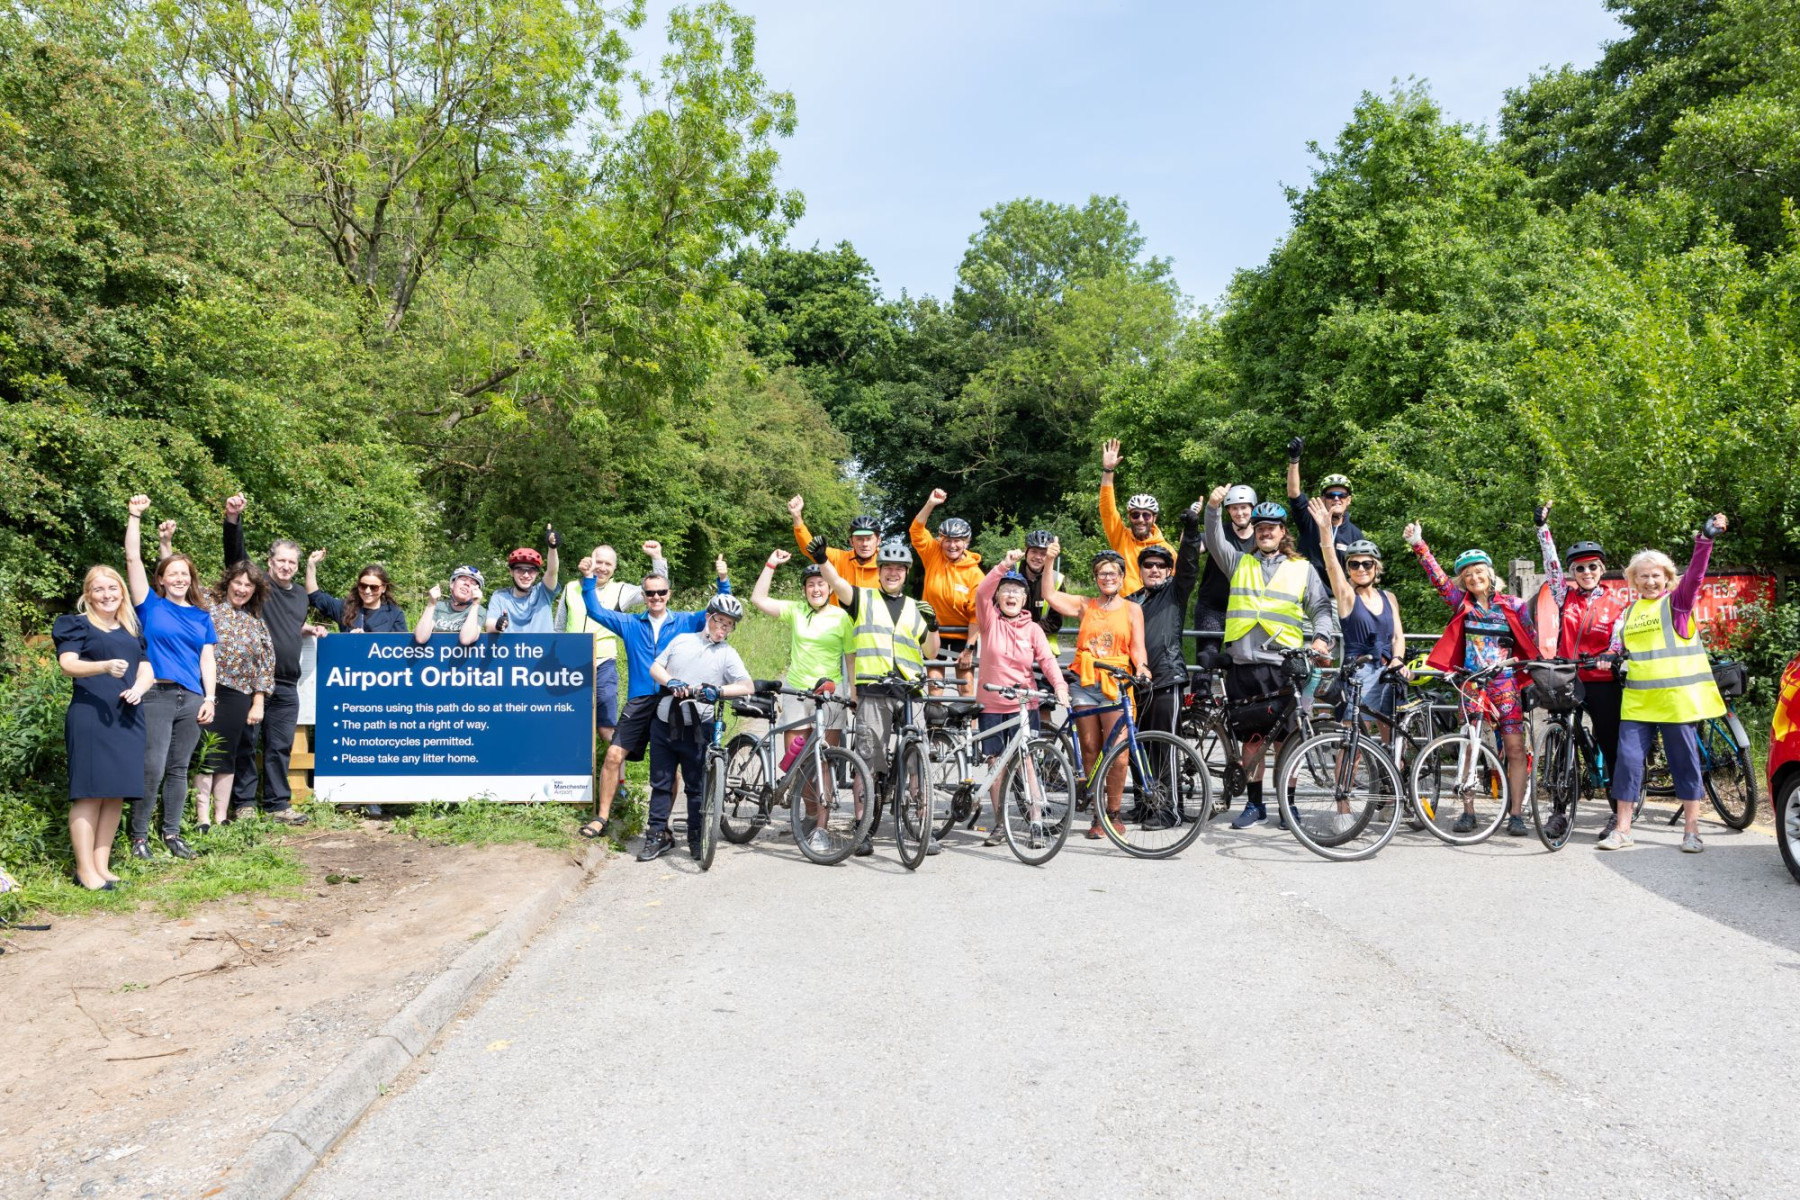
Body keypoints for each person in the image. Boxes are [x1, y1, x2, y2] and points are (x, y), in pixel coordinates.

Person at [577, 553, 732, 841]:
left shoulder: (685, 621)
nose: (656, 597)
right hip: (640, 700)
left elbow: (720, 610)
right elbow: (595, 611)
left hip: (673, 700)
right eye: (650, 593)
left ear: (668, 593)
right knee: (613, 755)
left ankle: (662, 827)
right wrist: (588, 580)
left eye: (661, 592)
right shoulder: (630, 623)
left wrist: (723, 579)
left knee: (671, 768)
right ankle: (602, 817)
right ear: (644, 596)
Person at [1205, 492, 1338, 829]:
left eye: (1272, 527)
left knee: (1285, 742)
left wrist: (1321, 638)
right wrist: (1213, 508)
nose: (1265, 532)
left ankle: (1287, 806)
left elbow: (1321, 608)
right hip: (1244, 665)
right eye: (1261, 527)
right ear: (1255, 531)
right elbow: (1214, 538)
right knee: (1252, 740)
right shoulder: (1238, 562)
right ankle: (1254, 805)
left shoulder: (1302, 568)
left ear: (1283, 532)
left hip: (1283, 667)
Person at [1599, 515, 1731, 854]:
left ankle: (1692, 831)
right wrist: (1608, 656)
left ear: (1668, 578)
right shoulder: (1628, 613)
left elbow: (1696, 575)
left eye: (1656, 575)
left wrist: (1705, 541)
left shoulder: (1678, 604)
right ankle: (1623, 829)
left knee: (1684, 762)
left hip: (1676, 701)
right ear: (1633, 580)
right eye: (1643, 576)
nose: (1650, 581)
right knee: (1628, 761)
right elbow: (1617, 646)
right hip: (1638, 701)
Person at [1407, 521, 1537, 836]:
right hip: (1471, 684)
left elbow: (1531, 640)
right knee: (1469, 746)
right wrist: (1418, 544)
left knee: (1515, 747)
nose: (1474, 578)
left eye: (1479, 572)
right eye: (1467, 575)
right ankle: (1468, 812)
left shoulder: (1514, 606)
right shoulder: (1462, 604)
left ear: (1490, 574)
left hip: (1505, 683)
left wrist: (1527, 665)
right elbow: (1438, 580)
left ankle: (1516, 814)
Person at [819, 538, 941, 856]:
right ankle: (862, 829)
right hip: (873, 690)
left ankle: (923, 826)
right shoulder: (863, 598)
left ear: (906, 573)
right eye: (887, 567)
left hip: (911, 691)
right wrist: (821, 559)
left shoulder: (915, 607)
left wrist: (933, 625)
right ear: (880, 571)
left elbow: (931, 651)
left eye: (899, 568)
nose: (893, 573)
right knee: (868, 759)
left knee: (917, 760)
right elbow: (836, 582)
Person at [126, 494, 217, 860]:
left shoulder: (201, 615)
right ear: (161, 580)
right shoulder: (150, 605)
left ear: (190, 580)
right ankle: (139, 838)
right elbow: (132, 559)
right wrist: (135, 517)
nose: (179, 578)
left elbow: (207, 658)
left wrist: (209, 698)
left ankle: (172, 834)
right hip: (156, 696)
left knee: (178, 769)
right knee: (152, 768)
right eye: (173, 573)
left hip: (191, 698)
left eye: (185, 574)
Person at [1040, 544, 1151, 839]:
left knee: (1119, 754)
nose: (1107, 578)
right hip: (1085, 683)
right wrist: (1049, 561)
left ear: (1122, 577)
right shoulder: (1085, 605)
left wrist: (1142, 668)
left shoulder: (1132, 609)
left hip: (1117, 684)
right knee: (1090, 748)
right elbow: (1049, 594)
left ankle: (1114, 812)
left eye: (1113, 573)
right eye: (1102, 574)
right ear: (1095, 578)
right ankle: (1097, 813)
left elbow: (1138, 648)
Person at [1534, 504, 1630, 842]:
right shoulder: (1565, 595)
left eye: (1592, 566)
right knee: (1562, 742)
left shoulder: (1617, 604)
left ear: (1601, 569)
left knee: (1610, 743)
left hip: (1601, 679)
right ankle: (1559, 812)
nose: (1586, 572)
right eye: (1580, 568)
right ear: (1573, 572)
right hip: (1568, 677)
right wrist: (1542, 529)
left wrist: (1610, 655)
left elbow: (1618, 638)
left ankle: (1618, 813)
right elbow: (1551, 565)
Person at [55, 566, 155, 890]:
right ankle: (84, 871)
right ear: (88, 594)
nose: (107, 595)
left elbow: (147, 669)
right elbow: (67, 664)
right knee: (89, 794)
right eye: (98, 589)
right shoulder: (77, 624)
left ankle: (102, 867)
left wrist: (138, 689)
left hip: (127, 717)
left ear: (122, 591)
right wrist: (104, 666)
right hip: (91, 718)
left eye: (113, 588)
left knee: (114, 795)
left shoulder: (131, 628)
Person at [640, 595, 756, 861]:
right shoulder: (682, 640)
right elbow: (655, 667)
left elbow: (746, 685)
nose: (722, 628)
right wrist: (671, 681)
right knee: (661, 782)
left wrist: (719, 691)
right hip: (665, 722)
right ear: (708, 617)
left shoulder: (727, 653)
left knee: (696, 785)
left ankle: (696, 836)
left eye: (729, 625)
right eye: (719, 621)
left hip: (698, 727)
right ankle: (656, 835)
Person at [223, 494, 316, 825]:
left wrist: (308, 629)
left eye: (292, 562)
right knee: (247, 743)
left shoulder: (301, 595)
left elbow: (287, 626)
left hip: (287, 684)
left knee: (279, 747)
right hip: (253, 682)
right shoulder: (260, 586)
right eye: (281, 561)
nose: (287, 566)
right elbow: (236, 558)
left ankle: (278, 805)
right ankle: (244, 803)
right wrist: (233, 520)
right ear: (270, 562)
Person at [972, 551, 1071, 846]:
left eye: (1017, 591)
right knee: (996, 764)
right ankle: (1000, 823)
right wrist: (1003, 565)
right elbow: (981, 591)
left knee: (1028, 762)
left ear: (1025, 599)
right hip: (991, 703)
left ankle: (1036, 821)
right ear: (998, 597)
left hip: (1024, 704)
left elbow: (1048, 661)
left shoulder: (1033, 629)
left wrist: (1060, 686)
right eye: (1006, 591)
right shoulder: (989, 620)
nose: (1011, 595)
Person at [556, 541, 668, 746]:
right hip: (570, 663)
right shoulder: (571, 587)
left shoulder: (621, 590)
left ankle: (618, 765)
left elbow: (658, 588)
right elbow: (559, 627)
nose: (602, 567)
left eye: (608, 564)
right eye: (599, 562)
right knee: (569, 720)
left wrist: (657, 558)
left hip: (603, 663)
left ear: (614, 568)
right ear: (590, 560)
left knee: (606, 726)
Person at [1308, 499, 1406, 730]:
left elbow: (1397, 637)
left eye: (1367, 564)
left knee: (1391, 736)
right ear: (1348, 568)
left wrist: (1398, 660)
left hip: (1389, 669)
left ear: (1376, 567)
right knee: (1354, 736)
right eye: (1354, 564)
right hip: (1359, 671)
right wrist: (1325, 531)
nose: (1361, 569)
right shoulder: (1347, 596)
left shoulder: (1389, 597)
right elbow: (1331, 565)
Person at [194, 561, 276, 834]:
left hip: (240, 695)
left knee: (228, 756)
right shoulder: (208, 603)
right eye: (238, 582)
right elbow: (178, 581)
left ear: (255, 590)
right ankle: (202, 818)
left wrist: (258, 702)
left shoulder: (256, 621)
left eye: (248, 585)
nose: (242, 589)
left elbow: (265, 666)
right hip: (208, 689)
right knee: (207, 753)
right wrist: (165, 546)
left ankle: (221, 816)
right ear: (228, 582)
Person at [750, 549, 853, 753]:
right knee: (795, 760)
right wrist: (771, 564)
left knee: (826, 758)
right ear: (804, 589)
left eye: (821, 583)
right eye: (810, 584)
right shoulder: (796, 610)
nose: (816, 589)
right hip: (797, 690)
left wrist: (854, 695)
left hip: (831, 691)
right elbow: (758, 599)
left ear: (830, 588)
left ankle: (824, 777)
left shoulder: (842, 617)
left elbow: (851, 658)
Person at [1132, 506, 1204, 758]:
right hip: (1135, 684)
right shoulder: (1130, 601)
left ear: (1168, 571)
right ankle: (1144, 789)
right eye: (1148, 564)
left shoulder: (1175, 592)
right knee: (1138, 755)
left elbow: (1189, 565)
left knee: (1166, 752)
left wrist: (1191, 530)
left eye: (1161, 566)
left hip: (1165, 680)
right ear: (1140, 569)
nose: (1154, 569)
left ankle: (1172, 790)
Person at [910, 488, 985, 689]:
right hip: (935, 631)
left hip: (963, 635)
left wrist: (969, 649)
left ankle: (968, 713)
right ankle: (934, 712)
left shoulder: (975, 574)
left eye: (957, 541)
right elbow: (916, 531)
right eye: (948, 540)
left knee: (965, 686)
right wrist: (931, 504)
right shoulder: (933, 554)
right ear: (940, 540)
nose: (952, 545)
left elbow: (977, 615)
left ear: (966, 542)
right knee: (935, 685)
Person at [1097, 438, 1173, 595]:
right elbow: (1107, 509)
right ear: (1129, 516)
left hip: (1153, 607)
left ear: (1154, 518)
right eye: (1135, 514)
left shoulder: (1166, 549)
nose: (1140, 520)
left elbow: (1181, 580)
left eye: (1146, 515)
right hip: (1124, 605)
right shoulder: (1121, 537)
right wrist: (1108, 470)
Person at [1286, 436, 1365, 586]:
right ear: (1323, 499)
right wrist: (1294, 459)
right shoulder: (1310, 518)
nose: (1336, 499)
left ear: (1349, 500)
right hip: (1307, 592)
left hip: (1337, 595)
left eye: (1342, 495)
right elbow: (1294, 492)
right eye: (1331, 495)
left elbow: (1361, 571)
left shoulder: (1355, 534)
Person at [1193, 485, 1258, 641]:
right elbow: (1190, 547)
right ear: (1228, 510)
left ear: (1252, 508)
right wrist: (1191, 522)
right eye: (1234, 508)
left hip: (1244, 610)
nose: (1239, 513)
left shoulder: (1261, 537)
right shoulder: (1218, 532)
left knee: (1240, 655)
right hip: (1212, 607)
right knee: (1208, 653)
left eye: (1244, 507)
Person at [789, 496, 882, 597]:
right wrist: (797, 516)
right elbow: (810, 548)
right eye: (859, 539)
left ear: (878, 541)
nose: (864, 544)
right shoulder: (838, 558)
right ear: (851, 541)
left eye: (869, 539)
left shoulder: (886, 564)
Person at [306, 552, 409, 632]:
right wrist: (311, 564)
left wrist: (364, 639)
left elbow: (399, 646)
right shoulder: (345, 607)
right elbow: (315, 596)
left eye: (374, 588)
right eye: (363, 586)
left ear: (384, 588)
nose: (367, 591)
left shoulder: (394, 613)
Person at [487, 527, 560, 632]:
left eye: (531, 570)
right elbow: (490, 625)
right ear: (511, 572)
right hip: (511, 643)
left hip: (542, 643)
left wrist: (552, 548)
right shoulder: (500, 596)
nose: (526, 575)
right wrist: (498, 624)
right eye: (520, 569)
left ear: (537, 573)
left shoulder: (543, 593)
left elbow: (552, 572)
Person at [414, 566, 487, 646]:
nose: (467, 583)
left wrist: (475, 604)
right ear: (452, 584)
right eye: (463, 579)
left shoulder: (479, 610)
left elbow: (466, 640)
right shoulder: (438, 606)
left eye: (473, 583)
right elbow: (421, 638)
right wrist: (431, 604)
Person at [1020, 530, 1065, 640]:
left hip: (1043, 643)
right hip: (1013, 641)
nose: (1038, 557)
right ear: (1026, 551)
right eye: (1034, 551)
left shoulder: (1056, 579)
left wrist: (1031, 633)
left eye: (1043, 553)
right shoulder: (1011, 572)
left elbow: (1056, 620)